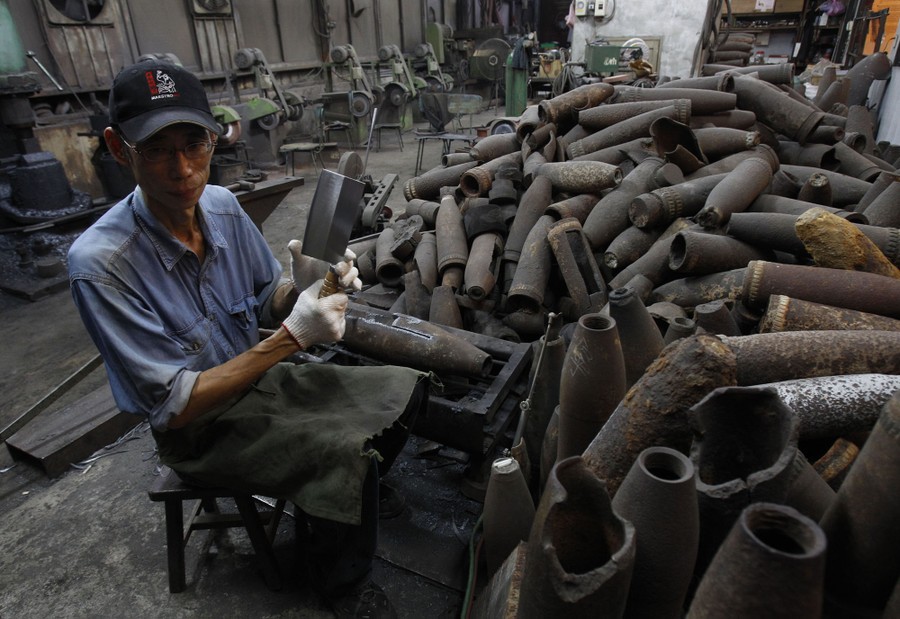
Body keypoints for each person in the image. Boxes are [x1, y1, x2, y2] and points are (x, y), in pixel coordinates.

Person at [67, 58, 426, 619]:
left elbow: (266, 299)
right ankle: (341, 582)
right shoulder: (101, 265)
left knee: (408, 386)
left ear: (216, 138)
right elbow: (176, 407)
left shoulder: (222, 206)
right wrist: (292, 336)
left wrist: (310, 285)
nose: (184, 168)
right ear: (119, 148)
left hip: (263, 378)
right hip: (202, 432)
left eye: (195, 144)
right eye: (158, 149)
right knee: (343, 454)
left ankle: (352, 499)